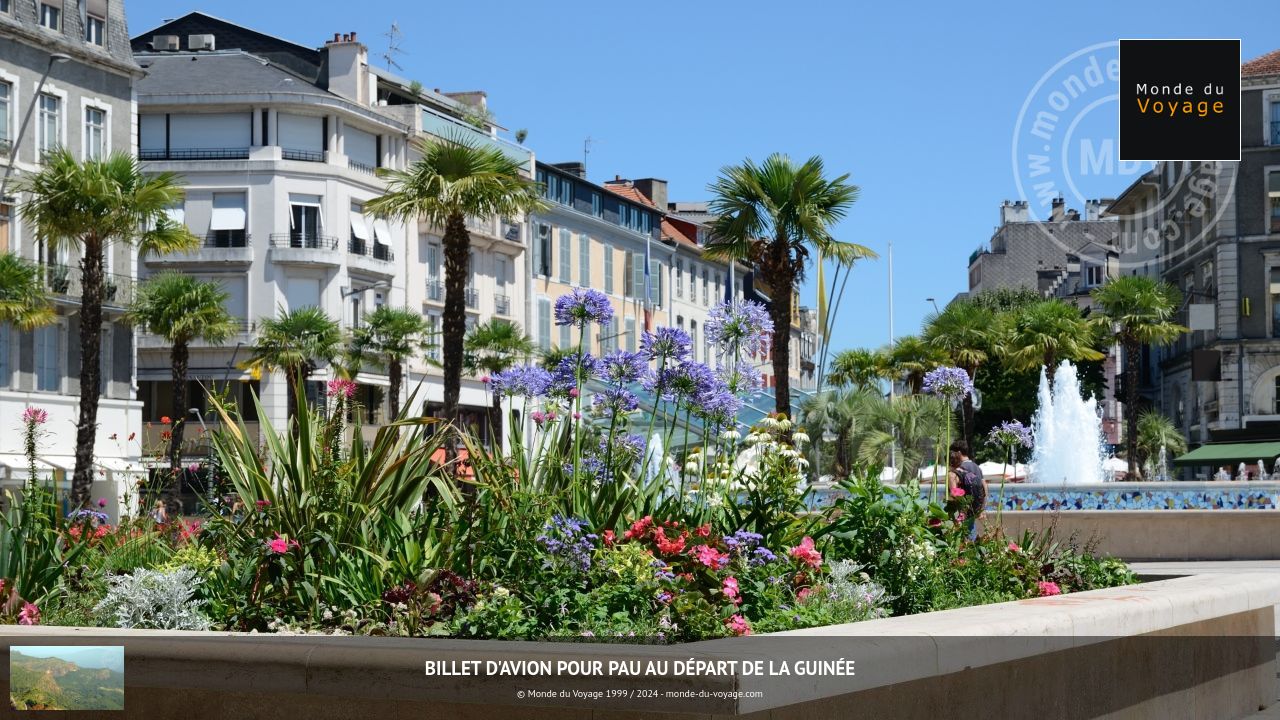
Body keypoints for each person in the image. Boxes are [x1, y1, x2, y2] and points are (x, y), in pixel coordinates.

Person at [947, 440, 986, 541]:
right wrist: (982, 508)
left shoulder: (959, 468)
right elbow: (985, 488)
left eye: (953, 453)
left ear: (959, 453)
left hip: (962, 509)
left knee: (962, 536)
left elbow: (954, 491)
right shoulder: (976, 467)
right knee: (971, 532)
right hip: (973, 507)